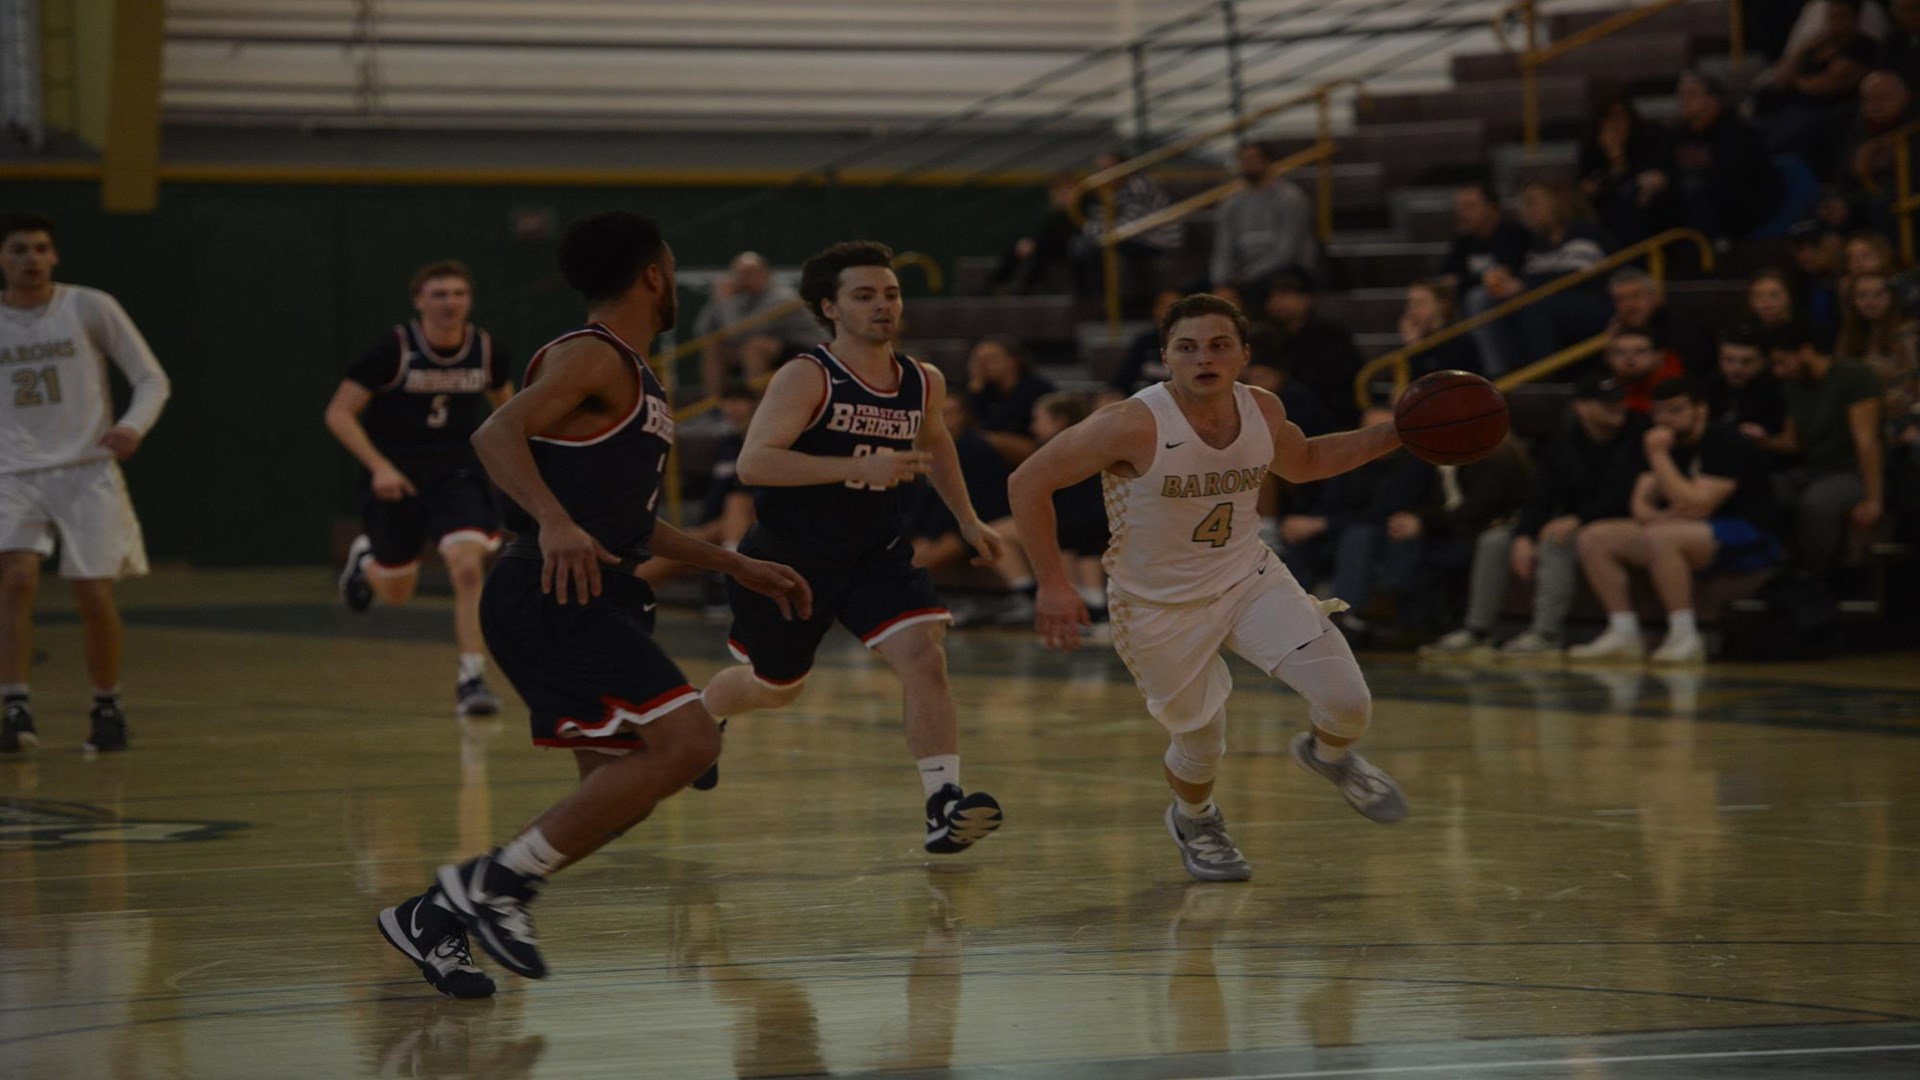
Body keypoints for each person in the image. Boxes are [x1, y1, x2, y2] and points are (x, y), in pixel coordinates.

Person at [375, 211, 811, 991]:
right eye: (671, 268)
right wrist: (553, 520)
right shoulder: (592, 354)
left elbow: (630, 523)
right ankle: (488, 888)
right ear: (653, 275)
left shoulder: (636, 374)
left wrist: (732, 563)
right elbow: (494, 434)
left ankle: (434, 917)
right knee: (689, 745)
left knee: (621, 793)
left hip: (594, 591)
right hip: (551, 589)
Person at [1007, 293, 1409, 883]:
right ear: (1166, 356)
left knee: (1348, 702)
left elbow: (1306, 461)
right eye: (1188, 347)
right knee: (1200, 747)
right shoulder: (1130, 423)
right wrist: (1052, 582)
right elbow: (1027, 482)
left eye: (1219, 345)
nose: (1204, 358)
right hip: (1155, 606)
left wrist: (1396, 432)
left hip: (1248, 578)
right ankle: (1195, 818)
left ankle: (1328, 756)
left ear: (1244, 355)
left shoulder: (1262, 408)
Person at [700, 240, 1006, 855]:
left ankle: (943, 803)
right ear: (830, 308)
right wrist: (852, 468)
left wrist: (968, 518)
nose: (883, 305)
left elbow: (935, 442)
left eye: (891, 293)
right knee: (776, 688)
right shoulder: (805, 375)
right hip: (789, 559)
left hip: (875, 552)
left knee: (924, 656)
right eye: (864, 295)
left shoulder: (923, 379)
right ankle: (700, 716)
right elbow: (755, 463)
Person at [0, 214, 170, 755]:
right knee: (16, 581)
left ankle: (107, 705)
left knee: (94, 595)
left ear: (55, 256)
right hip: (12, 470)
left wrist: (132, 426)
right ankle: (15, 707)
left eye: (41, 248)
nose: (31, 259)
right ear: (3, 259)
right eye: (19, 249)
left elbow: (151, 377)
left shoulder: (89, 306)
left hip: (86, 466)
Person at [326, 260, 514, 718]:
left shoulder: (487, 350)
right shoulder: (393, 350)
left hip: (456, 473)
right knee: (396, 592)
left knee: (467, 569)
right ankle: (367, 561)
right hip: (398, 474)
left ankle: (471, 678)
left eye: (459, 294)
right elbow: (338, 413)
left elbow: (508, 413)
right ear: (419, 301)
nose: (451, 303)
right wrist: (379, 467)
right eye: (440, 294)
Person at [1421, 372, 1647, 660]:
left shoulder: (1638, 435)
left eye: (1619, 401)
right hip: (1571, 520)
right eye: (1606, 403)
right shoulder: (1565, 440)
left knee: (1555, 540)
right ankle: (1478, 630)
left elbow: (1624, 494)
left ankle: (1546, 633)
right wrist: (1524, 535)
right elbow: (1540, 494)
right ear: (1582, 407)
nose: (1617, 408)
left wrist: (1578, 519)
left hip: (1617, 521)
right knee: (1495, 541)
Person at [1569, 378, 1782, 664]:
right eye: (1658, 411)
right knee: (1595, 537)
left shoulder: (1726, 441)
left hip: (1745, 533)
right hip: (1686, 530)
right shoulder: (1663, 442)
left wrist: (1658, 456)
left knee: (1661, 536)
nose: (1665, 419)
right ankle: (1623, 631)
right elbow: (1640, 506)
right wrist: (1664, 515)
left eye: (1676, 410)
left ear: (1700, 410)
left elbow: (1698, 504)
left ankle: (1685, 635)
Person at [1276, 406, 1439, 645]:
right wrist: (1308, 523)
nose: (1378, 438)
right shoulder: (1350, 463)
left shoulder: (1413, 465)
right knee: (1297, 535)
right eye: (1370, 431)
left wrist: (1322, 524)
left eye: (1385, 432)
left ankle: (1347, 615)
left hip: (1385, 534)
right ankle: (1288, 615)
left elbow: (1381, 513)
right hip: (1342, 529)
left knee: (1359, 536)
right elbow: (1329, 503)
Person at [1752, 320, 1886, 578]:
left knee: (1817, 503)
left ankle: (1812, 579)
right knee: (1762, 487)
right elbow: (1793, 443)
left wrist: (1874, 499)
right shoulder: (1793, 386)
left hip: (1852, 470)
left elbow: (1867, 442)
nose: (1778, 372)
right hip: (1815, 468)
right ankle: (1767, 569)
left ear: (1805, 351)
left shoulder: (1852, 376)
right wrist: (1764, 440)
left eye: (1782, 362)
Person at [1464, 181, 1610, 377]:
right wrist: (1509, 281)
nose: (1528, 210)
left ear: (1557, 202)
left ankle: (1541, 376)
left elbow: (1579, 275)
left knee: (1531, 304)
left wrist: (1523, 285)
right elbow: (1532, 274)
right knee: (1492, 300)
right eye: (1525, 204)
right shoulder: (1540, 240)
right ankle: (1504, 372)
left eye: (1533, 202)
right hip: (1550, 298)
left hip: (1591, 299)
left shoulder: (1582, 231)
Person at [1751, 0, 1877, 166]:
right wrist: (1802, 50)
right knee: (1752, 131)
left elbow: (1826, 85)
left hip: (1824, 113)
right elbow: (1782, 78)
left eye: (1842, 16)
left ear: (1855, 19)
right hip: (1791, 108)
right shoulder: (1818, 46)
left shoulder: (1862, 47)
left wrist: (1796, 81)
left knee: (1780, 140)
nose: (1836, 22)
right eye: (1832, 17)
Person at [692, 252, 825, 404]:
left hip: (805, 349)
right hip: (768, 350)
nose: (743, 278)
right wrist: (716, 300)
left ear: (765, 273)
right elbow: (704, 331)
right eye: (739, 274)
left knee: (754, 347)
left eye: (750, 273)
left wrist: (725, 301)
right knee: (714, 348)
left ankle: (762, 405)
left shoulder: (781, 297)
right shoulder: (741, 298)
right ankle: (713, 406)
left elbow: (739, 333)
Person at [1669, 72, 1782, 243]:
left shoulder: (1738, 131)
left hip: (1743, 206)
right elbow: (1662, 164)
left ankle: (1716, 249)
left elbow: (1735, 177)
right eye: (1680, 95)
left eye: (1691, 95)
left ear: (1714, 99)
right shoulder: (1678, 132)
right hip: (1699, 201)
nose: (1683, 101)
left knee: (1695, 189)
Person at [1255, 270, 1365, 427]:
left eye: (1285, 295)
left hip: (1327, 407)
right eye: (1272, 297)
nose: (1277, 302)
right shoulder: (1266, 336)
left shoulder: (1331, 335)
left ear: (1306, 299)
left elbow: (1343, 377)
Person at [1210, 143, 1317, 298]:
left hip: (1286, 268)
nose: (1248, 165)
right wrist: (1220, 281)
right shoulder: (1231, 204)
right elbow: (1223, 248)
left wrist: (1248, 277)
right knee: (1190, 292)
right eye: (1243, 161)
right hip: (1242, 272)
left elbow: (1287, 250)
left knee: (1258, 289)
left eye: (1253, 160)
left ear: (1268, 162)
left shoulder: (1291, 198)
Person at [1576, 94, 1675, 248]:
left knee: (1628, 197)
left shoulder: (1648, 138)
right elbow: (1584, 181)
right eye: (1609, 118)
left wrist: (1617, 157)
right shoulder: (1592, 147)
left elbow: (1649, 174)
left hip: (1642, 203)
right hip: (1604, 204)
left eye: (1620, 117)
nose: (1615, 124)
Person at [1608, 267, 1717, 379]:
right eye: (1621, 299)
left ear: (1657, 296)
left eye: (1636, 296)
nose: (1629, 305)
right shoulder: (1619, 330)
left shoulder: (1684, 326)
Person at [964, 337, 1056, 466]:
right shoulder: (983, 390)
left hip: (1036, 450)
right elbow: (972, 424)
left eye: (992, 358)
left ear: (1014, 360)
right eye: (978, 361)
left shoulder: (1036, 388)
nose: (984, 366)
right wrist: (975, 389)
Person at [1439, 182, 1531, 304]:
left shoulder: (1513, 234)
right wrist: (1480, 278)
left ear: (1492, 209)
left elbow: (1507, 273)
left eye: (1470, 206)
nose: (1462, 213)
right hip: (1472, 293)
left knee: (1477, 297)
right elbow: (1446, 277)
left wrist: (1464, 280)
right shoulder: (1463, 239)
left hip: (1511, 298)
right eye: (1460, 207)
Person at [1707, 323, 1789, 435]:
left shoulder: (1776, 392)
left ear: (1763, 362)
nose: (1737, 368)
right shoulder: (1711, 385)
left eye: (1747, 361)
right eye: (1729, 360)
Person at [1398, 279, 1483, 377]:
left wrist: (1415, 349)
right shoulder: (1412, 341)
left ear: (1442, 305)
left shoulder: (1460, 342)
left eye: (1419, 304)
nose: (1412, 311)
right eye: (1410, 305)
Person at [1604, 328, 1687, 415]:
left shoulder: (1678, 390)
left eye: (1640, 351)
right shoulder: (1604, 386)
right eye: (1620, 352)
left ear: (1659, 356)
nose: (1629, 358)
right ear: (1608, 357)